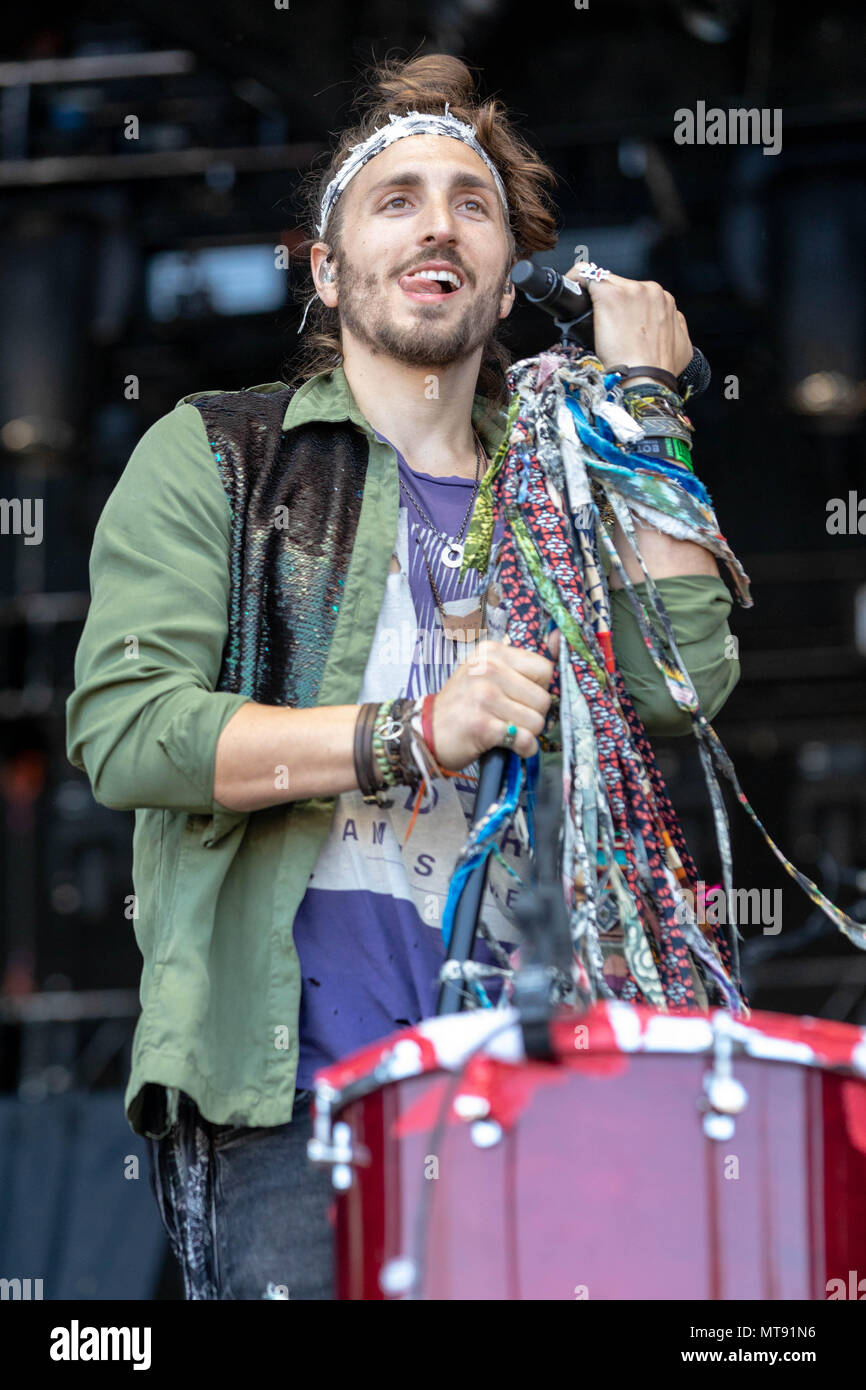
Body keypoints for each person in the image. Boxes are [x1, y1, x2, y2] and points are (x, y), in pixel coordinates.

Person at [65, 53, 741, 1300]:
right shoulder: (219, 451)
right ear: (327, 268)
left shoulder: (565, 482)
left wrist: (644, 413)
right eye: (396, 198)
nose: (437, 221)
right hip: (297, 1098)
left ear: (502, 282)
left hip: (540, 1087)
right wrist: (412, 729)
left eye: (470, 204)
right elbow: (130, 732)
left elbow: (682, 688)